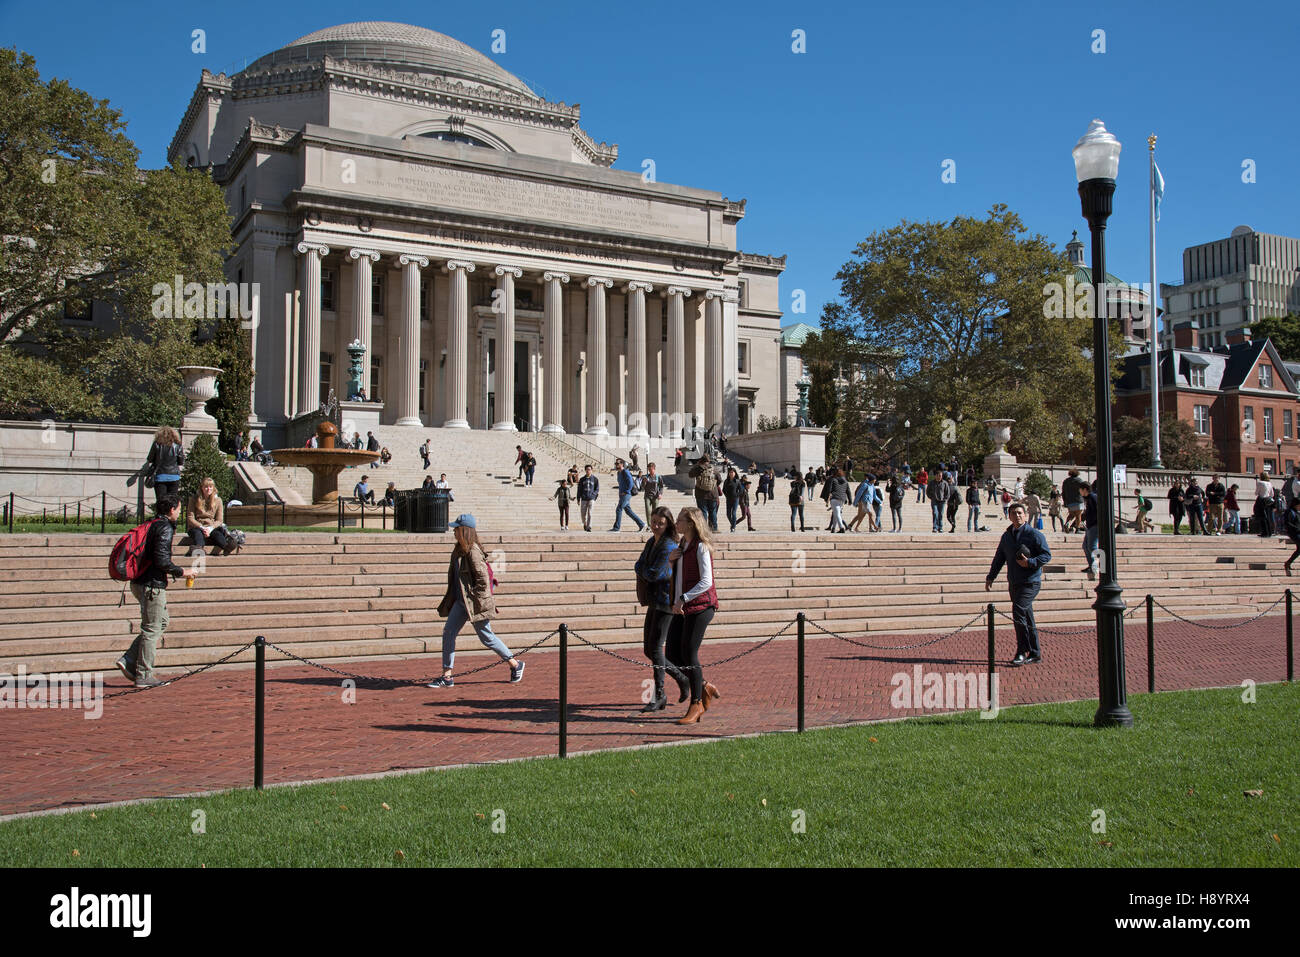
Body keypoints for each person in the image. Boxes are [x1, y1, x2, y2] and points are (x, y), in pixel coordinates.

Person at [426, 514, 524, 688]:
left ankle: (515, 664)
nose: (454, 531)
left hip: (473, 602)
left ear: (464, 531)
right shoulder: (459, 550)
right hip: (461, 601)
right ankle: (447, 676)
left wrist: (475, 597)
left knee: (487, 637)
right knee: (449, 632)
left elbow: (483, 579)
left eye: (456, 528)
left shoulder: (473, 551)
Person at [115, 495, 196, 688]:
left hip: (139, 581)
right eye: (178, 508)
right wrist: (183, 571)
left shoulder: (151, 523)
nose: (179, 511)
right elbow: (162, 560)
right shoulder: (165, 528)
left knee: (161, 622)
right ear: (171, 509)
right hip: (152, 585)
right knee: (152, 628)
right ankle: (144, 674)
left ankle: (129, 659)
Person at [665, 507, 720, 724]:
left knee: (689, 653)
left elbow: (707, 581)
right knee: (672, 653)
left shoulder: (701, 547)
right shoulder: (682, 545)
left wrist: (684, 598)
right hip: (682, 607)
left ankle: (696, 703)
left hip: (701, 607)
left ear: (690, 524)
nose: (676, 523)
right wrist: (671, 561)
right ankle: (704, 686)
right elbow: (677, 576)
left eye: (679, 520)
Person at [635, 506, 690, 711]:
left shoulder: (668, 545)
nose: (656, 526)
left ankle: (660, 695)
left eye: (660, 522)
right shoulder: (651, 542)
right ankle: (681, 677)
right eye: (654, 521)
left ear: (668, 524)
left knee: (656, 648)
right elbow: (640, 565)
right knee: (648, 650)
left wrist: (643, 570)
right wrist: (643, 570)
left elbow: (657, 574)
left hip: (666, 601)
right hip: (653, 599)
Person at [985, 502, 1052, 667]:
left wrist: (1030, 562)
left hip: (1030, 582)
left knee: (1018, 611)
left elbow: (1046, 555)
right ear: (1009, 516)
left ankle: (1022, 651)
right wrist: (991, 576)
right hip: (1014, 582)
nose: (1017, 515)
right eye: (1014, 513)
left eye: (1020, 513)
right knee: (1027, 617)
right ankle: (1035, 653)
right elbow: (999, 557)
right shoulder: (1007, 536)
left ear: (1026, 515)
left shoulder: (1034, 534)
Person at [187, 477, 235, 555]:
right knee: (198, 534)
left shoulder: (218, 500)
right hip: (197, 526)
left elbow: (219, 520)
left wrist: (210, 528)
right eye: (206, 487)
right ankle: (198, 548)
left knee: (217, 534)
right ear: (202, 487)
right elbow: (190, 517)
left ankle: (227, 547)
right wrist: (202, 527)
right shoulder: (193, 499)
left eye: (210, 486)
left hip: (211, 526)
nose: (208, 489)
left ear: (213, 488)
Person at [141, 426, 185, 504]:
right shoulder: (178, 445)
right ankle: (170, 515)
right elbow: (181, 461)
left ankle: (161, 515)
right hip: (174, 476)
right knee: (172, 502)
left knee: (161, 501)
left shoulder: (157, 444)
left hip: (160, 476)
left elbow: (150, 459)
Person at [610, 458, 646, 532]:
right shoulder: (619, 473)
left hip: (626, 494)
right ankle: (641, 524)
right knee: (628, 511)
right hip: (622, 494)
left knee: (619, 509)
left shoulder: (625, 472)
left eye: (617, 463)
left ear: (622, 464)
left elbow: (630, 483)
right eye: (615, 464)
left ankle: (616, 528)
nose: (616, 465)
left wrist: (626, 491)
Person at [690, 455, 720, 532]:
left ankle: (704, 529)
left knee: (703, 512)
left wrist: (697, 465)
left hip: (701, 494)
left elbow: (690, 474)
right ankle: (714, 528)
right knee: (712, 511)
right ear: (708, 461)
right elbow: (719, 479)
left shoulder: (698, 468)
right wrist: (714, 486)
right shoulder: (713, 469)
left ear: (700, 460)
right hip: (713, 493)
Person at [1082, 481, 1100, 580]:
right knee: (1085, 546)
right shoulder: (1089, 498)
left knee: (1091, 546)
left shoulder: (1093, 497)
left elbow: (1096, 511)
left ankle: (1103, 562)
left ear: (1085, 489)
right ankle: (1092, 566)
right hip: (1090, 525)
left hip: (1094, 525)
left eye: (1080, 490)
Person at [826, 467, 851, 532]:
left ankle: (841, 528)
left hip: (834, 498)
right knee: (835, 513)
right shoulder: (845, 481)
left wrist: (827, 498)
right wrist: (850, 500)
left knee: (837, 514)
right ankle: (833, 528)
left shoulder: (833, 480)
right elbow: (848, 491)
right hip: (842, 498)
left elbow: (829, 489)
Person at [576, 464, 600, 532]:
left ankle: (589, 526)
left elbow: (597, 489)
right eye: (587, 469)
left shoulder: (595, 479)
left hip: (591, 498)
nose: (588, 471)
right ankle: (585, 523)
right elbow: (579, 489)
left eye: (589, 469)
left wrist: (593, 495)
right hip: (584, 498)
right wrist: (578, 498)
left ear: (591, 470)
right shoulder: (582, 479)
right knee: (583, 514)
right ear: (585, 470)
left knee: (590, 513)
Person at [1061, 469, 1086, 533]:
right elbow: (1084, 490)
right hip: (1078, 500)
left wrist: (1065, 501)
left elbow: (1063, 492)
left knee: (1071, 515)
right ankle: (1078, 529)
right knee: (1078, 515)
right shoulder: (1079, 480)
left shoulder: (1066, 481)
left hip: (1069, 501)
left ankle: (1067, 524)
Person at [1254, 472, 1275, 537]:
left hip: (1261, 500)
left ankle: (1264, 532)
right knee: (1268, 517)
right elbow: (1272, 494)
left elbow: (1256, 493)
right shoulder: (1269, 483)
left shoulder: (1260, 483)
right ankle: (1269, 532)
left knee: (1262, 517)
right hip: (1268, 501)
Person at [722, 467, 742, 531]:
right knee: (728, 514)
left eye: (733, 472)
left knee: (733, 513)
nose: (731, 473)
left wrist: (737, 495)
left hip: (735, 499)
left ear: (735, 473)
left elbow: (741, 490)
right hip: (728, 499)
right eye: (730, 472)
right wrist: (726, 496)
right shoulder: (726, 481)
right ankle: (733, 524)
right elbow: (723, 490)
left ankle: (733, 527)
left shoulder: (737, 481)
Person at [1284, 499, 1300, 575]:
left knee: (1299, 550)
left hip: (1298, 533)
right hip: (1294, 533)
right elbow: (1287, 523)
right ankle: (1288, 563)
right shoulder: (1290, 512)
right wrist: (1297, 528)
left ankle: (1288, 563)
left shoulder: (1297, 512)